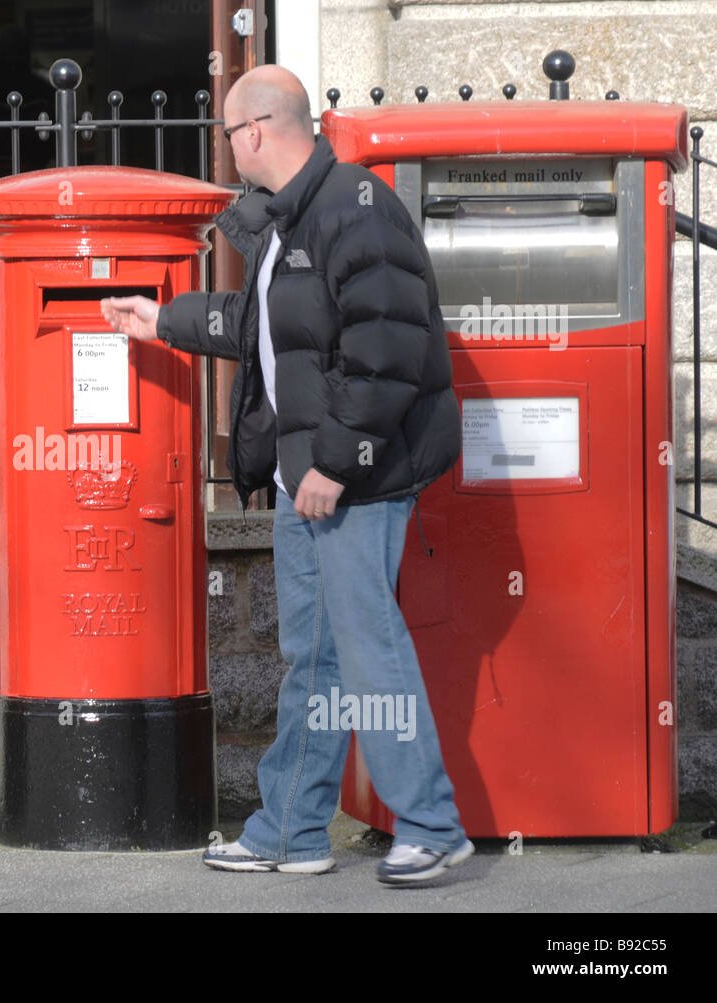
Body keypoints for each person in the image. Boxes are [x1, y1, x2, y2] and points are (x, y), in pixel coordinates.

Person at [100, 65, 472, 884]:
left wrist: (337, 464)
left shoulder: (356, 210)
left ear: (258, 130)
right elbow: (262, 326)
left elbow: (386, 355)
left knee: (368, 647)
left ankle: (433, 823)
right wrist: (161, 319)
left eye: (228, 133)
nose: (226, 148)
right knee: (315, 656)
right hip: (306, 474)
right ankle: (292, 831)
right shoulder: (287, 220)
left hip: (355, 479)